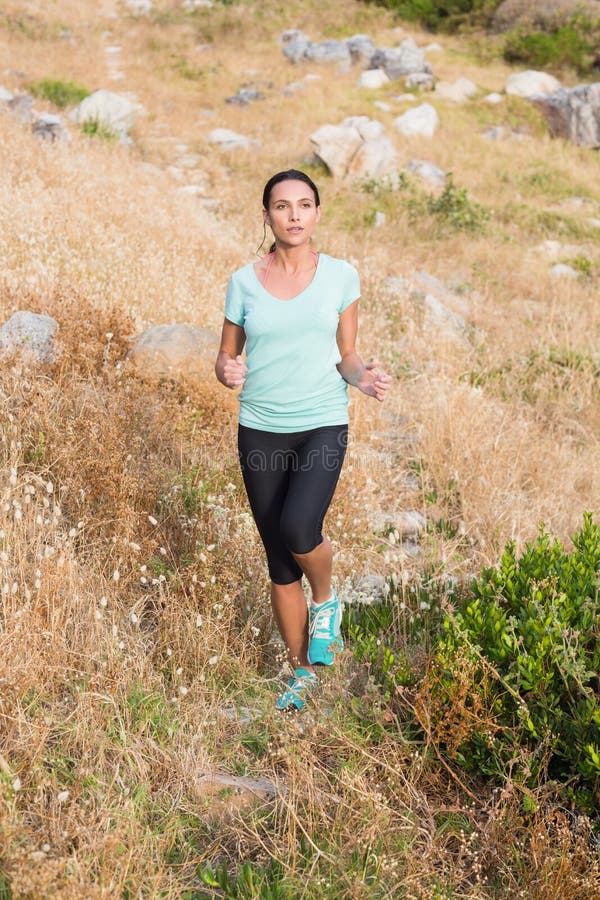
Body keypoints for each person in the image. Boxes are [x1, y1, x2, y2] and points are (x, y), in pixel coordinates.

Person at [215, 169, 391, 711]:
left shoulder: (340, 276)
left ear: (317, 212)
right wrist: (227, 371)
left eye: (304, 204)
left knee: (298, 527)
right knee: (278, 557)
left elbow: (348, 354)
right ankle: (302, 671)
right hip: (260, 427)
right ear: (266, 215)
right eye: (282, 205)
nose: (294, 215)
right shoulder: (243, 282)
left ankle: (327, 600)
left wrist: (362, 378)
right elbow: (225, 356)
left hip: (321, 422)